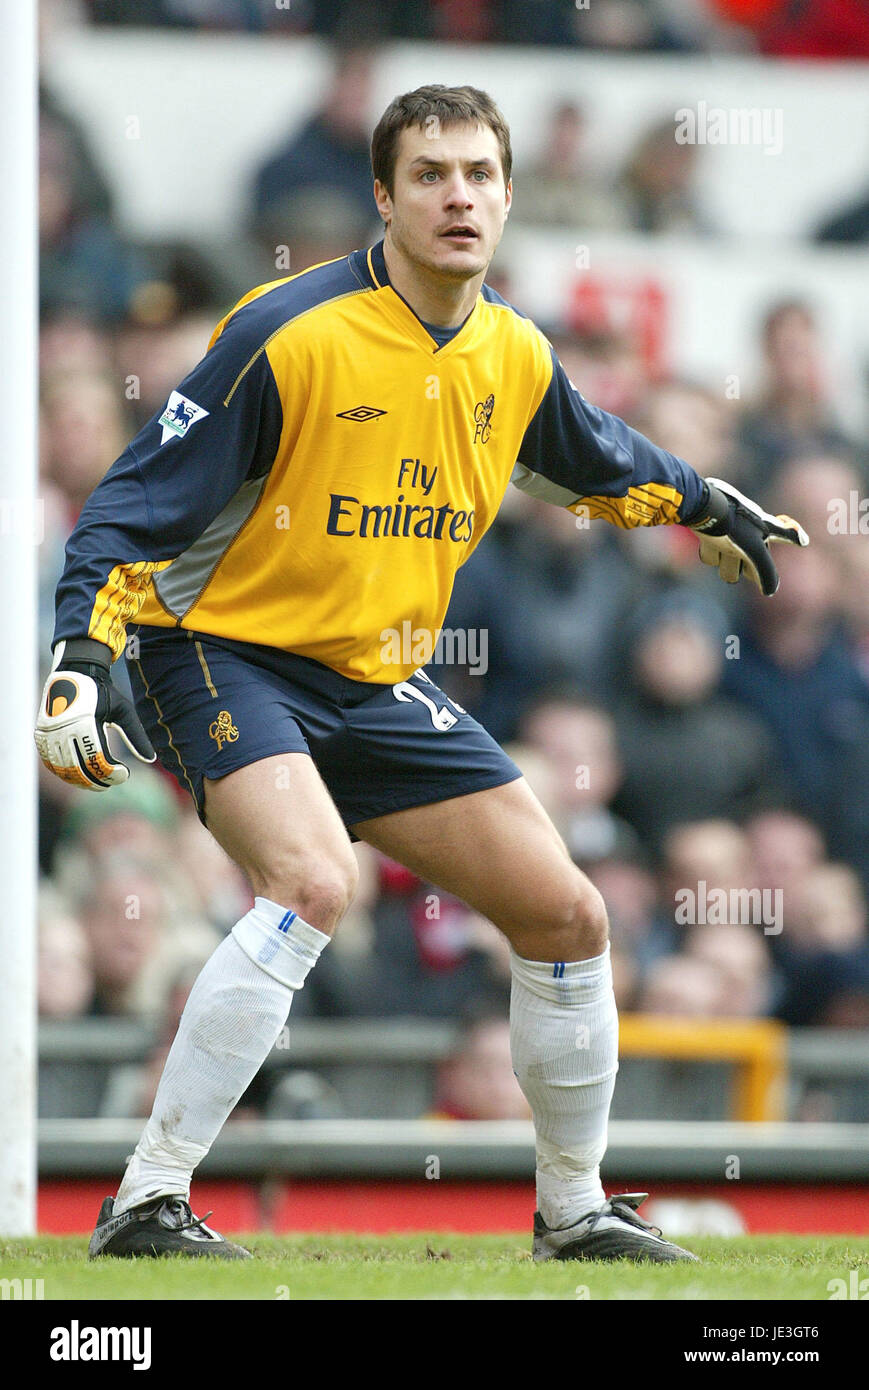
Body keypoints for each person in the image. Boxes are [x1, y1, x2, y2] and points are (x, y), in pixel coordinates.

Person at [35, 84, 808, 1265]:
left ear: (505, 196)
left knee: (568, 913)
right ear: (384, 197)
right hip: (223, 651)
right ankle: (146, 1199)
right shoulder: (285, 331)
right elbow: (132, 503)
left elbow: (592, 453)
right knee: (309, 881)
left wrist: (701, 501)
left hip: (373, 680)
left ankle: (570, 1211)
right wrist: (83, 651)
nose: (460, 196)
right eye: (433, 174)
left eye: (480, 175)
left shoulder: (511, 351)